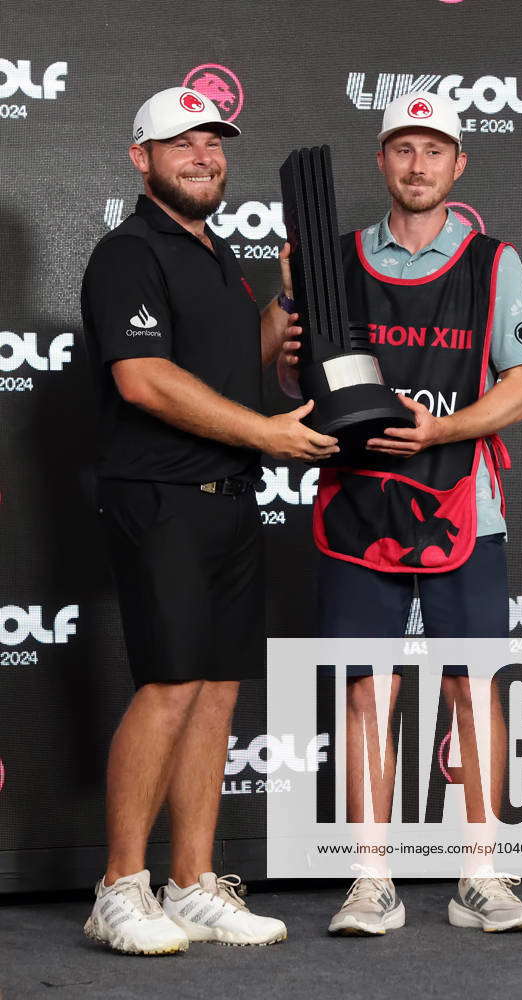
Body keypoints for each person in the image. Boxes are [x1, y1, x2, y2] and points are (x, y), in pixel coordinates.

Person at [278, 91, 522, 934]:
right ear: (382, 161)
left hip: (464, 499)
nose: (418, 164)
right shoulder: (330, 258)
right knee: (367, 694)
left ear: (458, 164)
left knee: (474, 690)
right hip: (358, 503)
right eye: (403, 148)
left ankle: (482, 877)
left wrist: (445, 427)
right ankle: (371, 879)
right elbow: (292, 383)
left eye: (434, 150)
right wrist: (282, 324)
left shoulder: (494, 262)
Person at [81, 86, 338, 955]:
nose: (202, 156)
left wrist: (280, 305)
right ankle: (120, 886)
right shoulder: (127, 253)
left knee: (219, 689)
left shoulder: (215, 254)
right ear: (140, 158)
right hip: (161, 497)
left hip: (229, 497)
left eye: (213, 142)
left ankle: (191, 882)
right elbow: (143, 379)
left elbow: (230, 363)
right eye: (181, 143)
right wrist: (267, 430)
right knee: (171, 685)